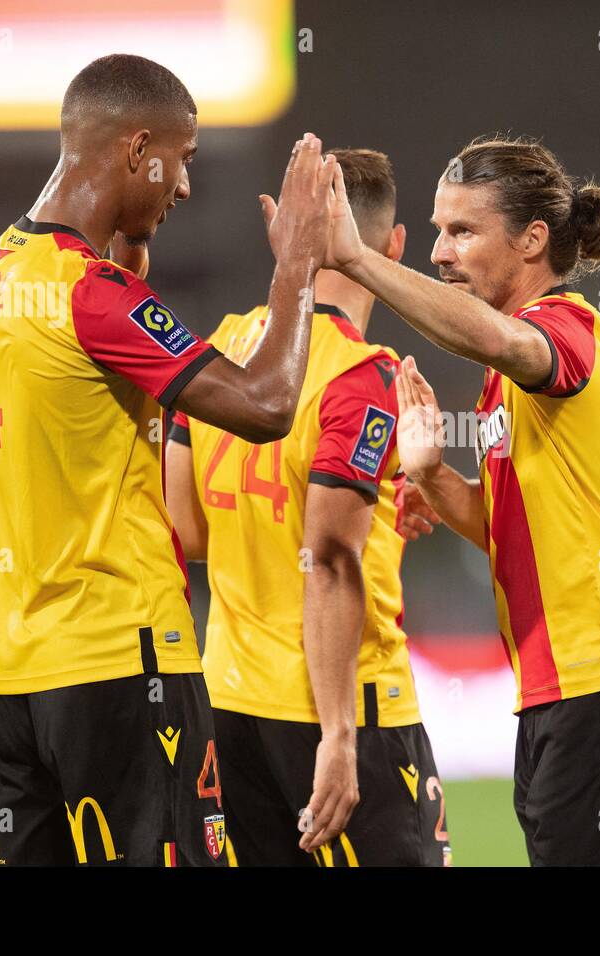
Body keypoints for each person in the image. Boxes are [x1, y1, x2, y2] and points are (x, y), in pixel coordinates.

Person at [0, 53, 337, 865]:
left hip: (13, 676)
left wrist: (129, 241)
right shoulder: (94, 295)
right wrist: (298, 263)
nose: (184, 187)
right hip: (126, 666)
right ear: (138, 151)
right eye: (182, 161)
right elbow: (265, 404)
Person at [321, 135, 600, 865]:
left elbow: (501, 341)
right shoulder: (510, 382)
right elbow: (513, 534)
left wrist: (361, 260)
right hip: (557, 699)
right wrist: (433, 477)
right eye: (436, 230)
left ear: (533, 241)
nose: (439, 251)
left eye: (461, 231)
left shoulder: (570, 332)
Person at [165, 148, 450, 866]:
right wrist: (339, 735)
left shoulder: (221, 350)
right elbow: (326, 562)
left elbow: (187, 531)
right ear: (393, 247)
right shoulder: (363, 375)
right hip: (340, 717)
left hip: (229, 710)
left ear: (283, 230)